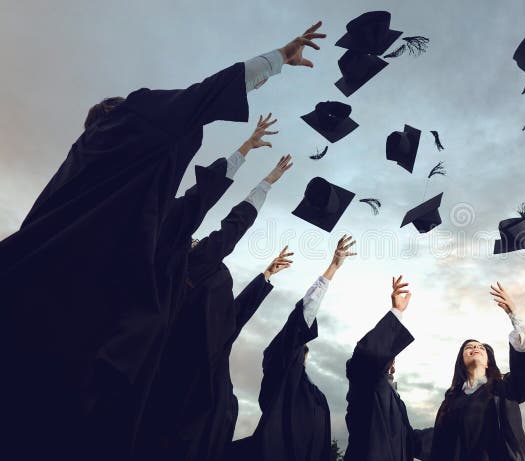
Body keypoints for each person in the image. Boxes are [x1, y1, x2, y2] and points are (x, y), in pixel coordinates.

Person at [0, 22, 325, 460]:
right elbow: (196, 114)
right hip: (89, 359)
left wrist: (248, 154)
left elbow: (199, 203)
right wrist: (278, 60)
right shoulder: (125, 128)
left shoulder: (81, 185)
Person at [136, 146, 293, 461]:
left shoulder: (197, 266)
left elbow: (231, 320)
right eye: (191, 237)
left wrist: (264, 277)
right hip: (180, 393)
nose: (195, 237)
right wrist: (264, 179)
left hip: (204, 394)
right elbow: (232, 222)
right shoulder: (190, 261)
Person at [231, 235, 357, 461]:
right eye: (299, 345)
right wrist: (332, 269)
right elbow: (299, 321)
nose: (302, 347)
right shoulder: (281, 376)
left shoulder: (317, 397)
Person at [429, 282, 525, 461]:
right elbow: (438, 444)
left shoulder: (505, 388)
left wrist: (513, 315)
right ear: (461, 360)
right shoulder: (450, 401)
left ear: (488, 361)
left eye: (480, 347)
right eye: (469, 347)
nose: (475, 347)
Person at [343, 276, 433, 461]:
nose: (390, 356)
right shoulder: (363, 381)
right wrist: (397, 312)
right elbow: (367, 356)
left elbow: (410, 441)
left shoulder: (395, 400)